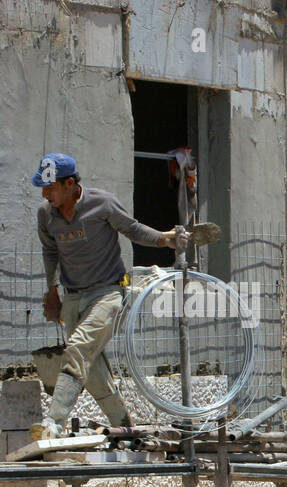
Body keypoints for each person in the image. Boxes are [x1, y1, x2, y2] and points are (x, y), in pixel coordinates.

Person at [32, 153, 180, 439]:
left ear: (71, 184)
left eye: (50, 187)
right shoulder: (45, 214)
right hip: (73, 297)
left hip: (108, 294)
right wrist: (52, 291)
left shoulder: (102, 204)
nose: (45, 193)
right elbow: (50, 251)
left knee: (77, 349)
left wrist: (164, 239)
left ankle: (53, 424)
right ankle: (126, 427)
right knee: (94, 373)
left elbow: (132, 229)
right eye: (43, 187)